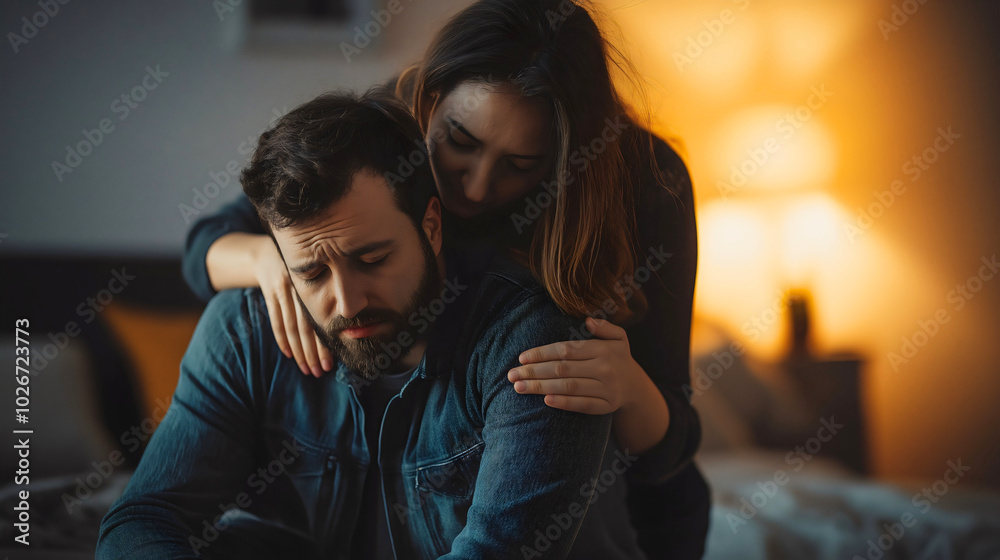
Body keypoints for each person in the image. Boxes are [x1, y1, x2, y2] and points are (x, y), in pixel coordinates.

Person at [183, 0, 709, 557]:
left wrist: (628, 386)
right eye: (461, 142)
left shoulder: (649, 182)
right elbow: (204, 250)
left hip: (634, 517)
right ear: (429, 101)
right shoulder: (389, 126)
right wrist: (271, 261)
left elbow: (673, 445)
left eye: (521, 164)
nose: (478, 188)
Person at [98, 89, 646, 559]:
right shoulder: (243, 329)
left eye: (373, 259)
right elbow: (143, 518)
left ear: (431, 225)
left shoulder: (531, 345)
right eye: (311, 272)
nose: (347, 301)